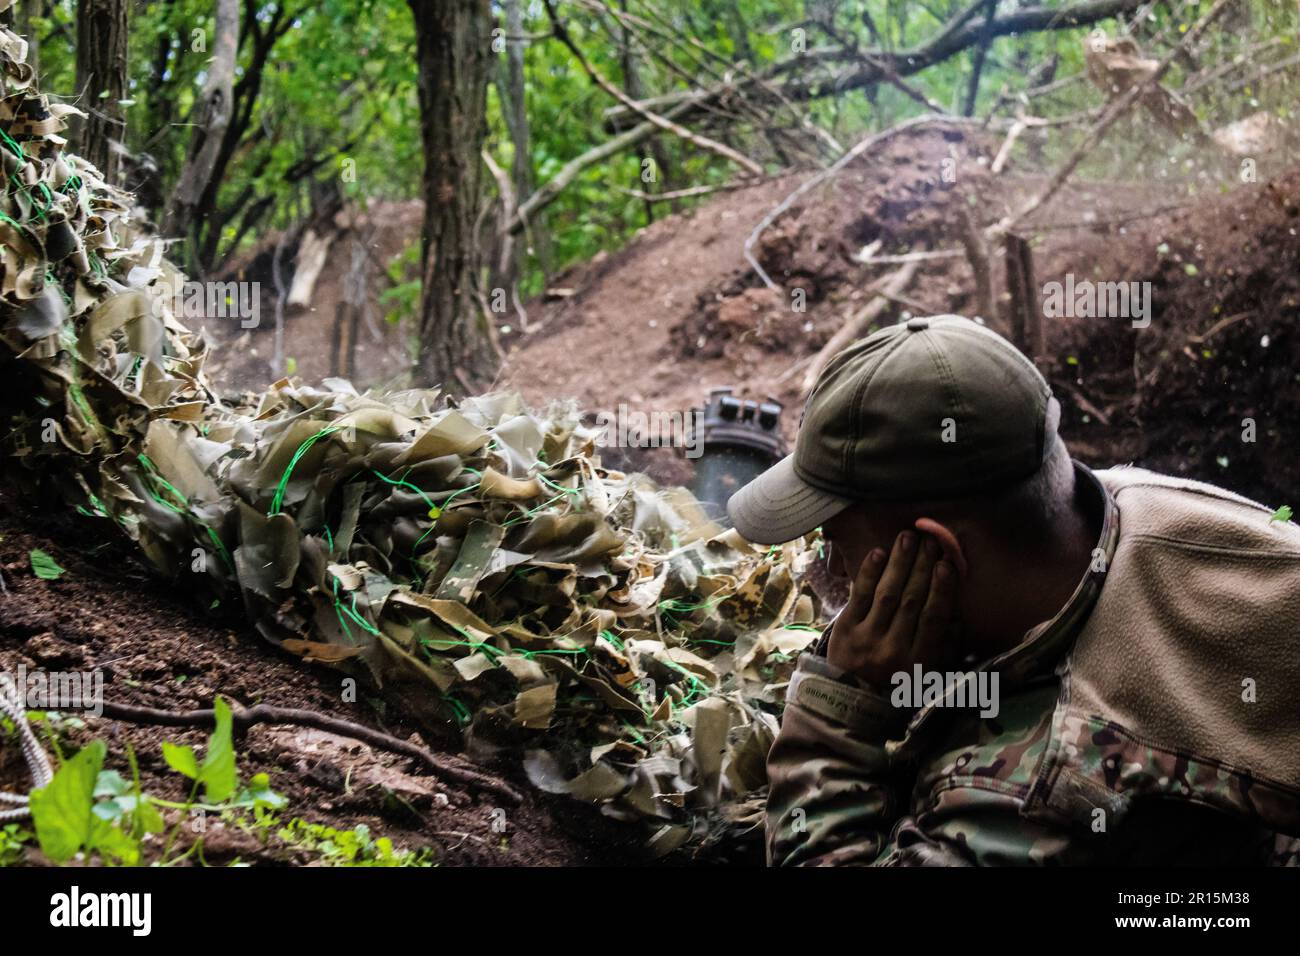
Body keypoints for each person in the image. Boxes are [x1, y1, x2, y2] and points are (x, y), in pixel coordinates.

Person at [727, 314, 1300, 866]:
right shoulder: (1150, 506)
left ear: (935, 555)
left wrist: (837, 719)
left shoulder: (1044, 788)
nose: (835, 570)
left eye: (838, 547)